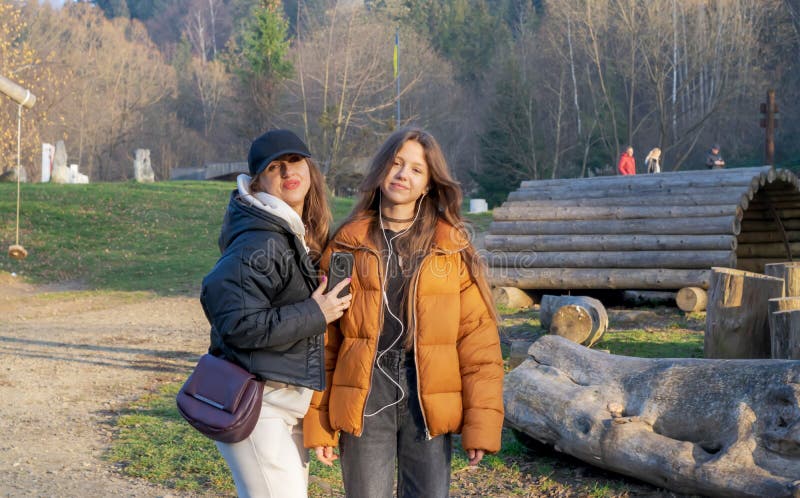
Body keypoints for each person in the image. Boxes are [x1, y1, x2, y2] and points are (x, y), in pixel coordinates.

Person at [303, 127, 504, 497]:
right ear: (381, 171)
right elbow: (325, 341)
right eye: (395, 164)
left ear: (428, 184)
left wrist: (481, 424)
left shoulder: (449, 247)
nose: (402, 175)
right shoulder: (348, 243)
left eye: (415, 169)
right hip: (365, 391)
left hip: (427, 394)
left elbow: (479, 345)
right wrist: (319, 421)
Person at [199, 129, 352, 498]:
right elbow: (232, 317)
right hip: (259, 404)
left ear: (310, 168)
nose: (288, 172)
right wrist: (315, 312)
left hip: (284, 404)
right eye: (274, 167)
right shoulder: (261, 238)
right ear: (257, 182)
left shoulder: (290, 231)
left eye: (295, 161)